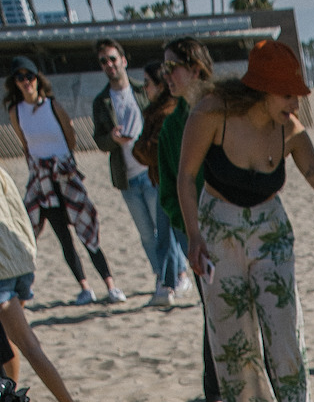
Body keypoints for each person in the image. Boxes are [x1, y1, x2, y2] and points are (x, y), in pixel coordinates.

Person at [178, 41, 314, 402]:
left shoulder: (291, 131)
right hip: (217, 229)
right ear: (261, 88)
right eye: (286, 94)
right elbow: (185, 176)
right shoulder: (212, 112)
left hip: (270, 231)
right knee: (229, 331)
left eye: (297, 94)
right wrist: (193, 236)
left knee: (285, 328)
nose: (295, 103)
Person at [6, 57, 124, 307]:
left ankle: (110, 285)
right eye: (20, 77)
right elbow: (25, 144)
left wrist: (62, 163)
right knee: (63, 237)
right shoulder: (16, 112)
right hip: (42, 181)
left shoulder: (53, 105)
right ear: (14, 82)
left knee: (86, 228)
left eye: (29, 76)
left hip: (65, 175)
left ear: (38, 78)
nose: (26, 82)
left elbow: (71, 137)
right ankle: (85, 288)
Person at [157, 37, 221, 402]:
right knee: (213, 308)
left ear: (196, 68)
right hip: (199, 235)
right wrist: (190, 229)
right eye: (163, 69)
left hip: (238, 225)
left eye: (172, 67)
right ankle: (215, 391)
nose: (166, 75)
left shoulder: (224, 109)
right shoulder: (171, 127)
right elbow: (169, 188)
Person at [0, 163, 85, 402]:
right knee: (10, 340)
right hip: (21, 261)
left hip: (3, 270)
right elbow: (18, 211)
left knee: (27, 344)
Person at [91, 39, 159, 295]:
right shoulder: (101, 102)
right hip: (126, 177)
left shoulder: (142, 90)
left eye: (112, 59)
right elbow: (100, 140)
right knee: (146, 234)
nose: (109, 65)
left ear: (123, 60)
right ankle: (161, 276)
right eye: (103, 61)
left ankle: (177, 275)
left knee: (163, 228)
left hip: (150, 170)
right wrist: (112, 138)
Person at [132, 60, 192, 306]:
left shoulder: (167, 113)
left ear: (160, 85)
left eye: (147, 83)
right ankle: (167, 285)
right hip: (162, 182)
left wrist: (140, 146)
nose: (145, 88)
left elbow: (151, 151)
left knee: (182, 237)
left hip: (172, 184)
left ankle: (184, 282)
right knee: (166, 238)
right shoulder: (156, 112)